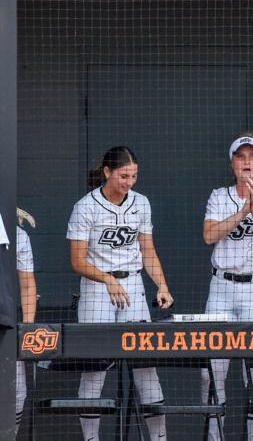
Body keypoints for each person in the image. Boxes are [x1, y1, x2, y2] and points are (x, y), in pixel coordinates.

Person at [67, 146, 173, 441]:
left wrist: (162, 284)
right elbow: (77, 260)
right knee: (94, 367)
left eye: (134, 176)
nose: (129, 182)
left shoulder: (141, 203)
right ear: (107, 172)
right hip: (97, 289)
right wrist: (107, 279)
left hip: (134, 285)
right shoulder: (85, 206)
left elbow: (147, 250)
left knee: (145, 365)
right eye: (124, 176)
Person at [199, 134, 253, 441]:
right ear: (232, 163)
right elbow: (209, 235)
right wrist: (243, 211)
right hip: (222, 287)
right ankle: (215, 437)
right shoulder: (219, 195)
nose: (247, 162)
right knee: (211, 370)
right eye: (241, 157)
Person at [16, 208, 37, 435]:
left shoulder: (18, 235)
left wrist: (27, 328)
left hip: (6, 322)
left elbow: (28, 284)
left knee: (18, 392)